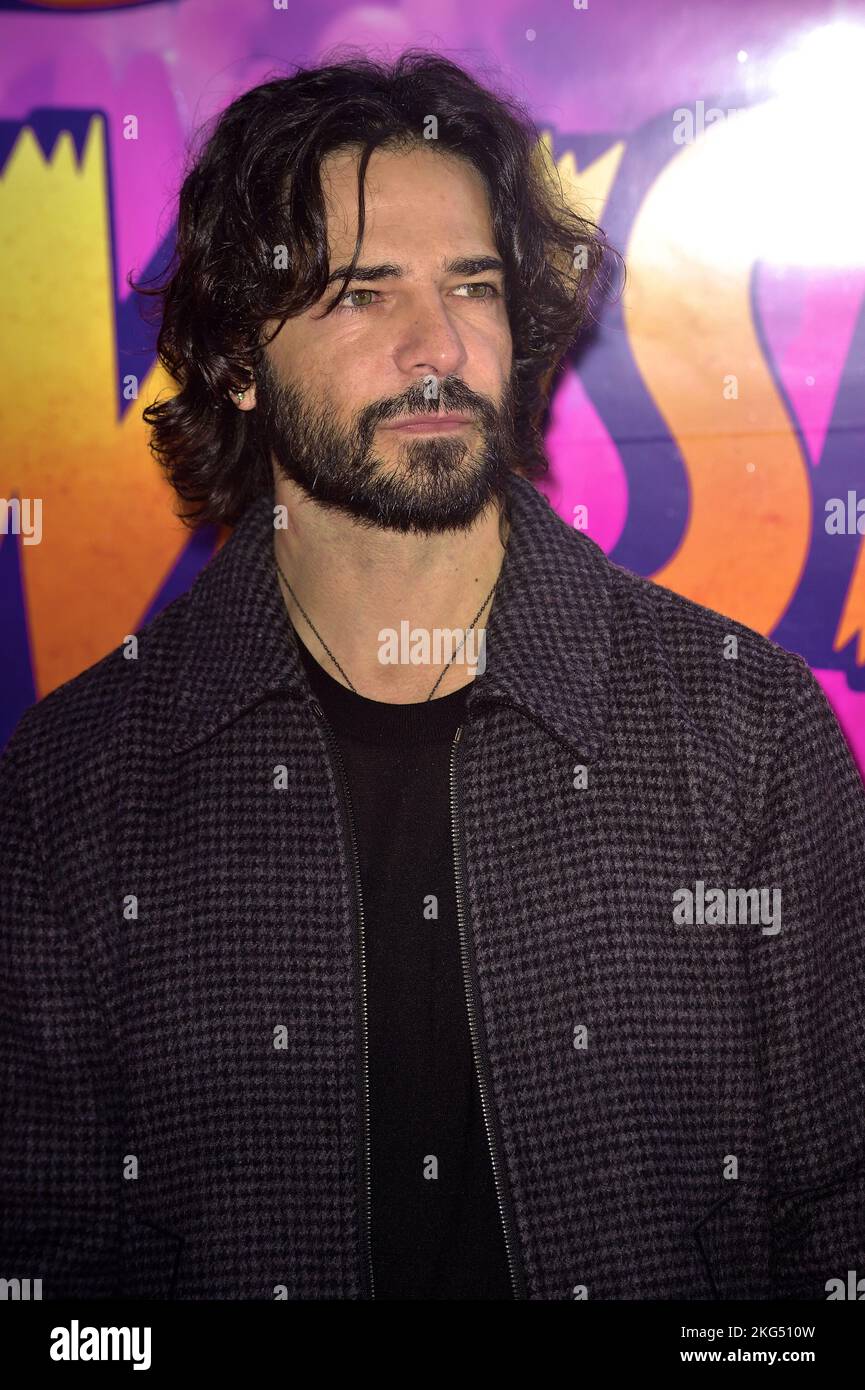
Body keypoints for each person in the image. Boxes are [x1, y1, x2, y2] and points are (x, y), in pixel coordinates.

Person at [1, 50, 863, 1302]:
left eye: (473, 285)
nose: (438, 345)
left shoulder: (747, 732)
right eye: (362, 294)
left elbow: (841, 1224)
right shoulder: (74, 785)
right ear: (237, 358)